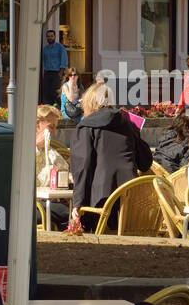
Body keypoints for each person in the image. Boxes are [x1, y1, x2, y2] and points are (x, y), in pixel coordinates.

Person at [68, 81, 152, 232]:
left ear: (89, 102)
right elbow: (145, 163)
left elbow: (83, 166)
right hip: (130, 196)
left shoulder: (86, 127)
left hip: (100, 200)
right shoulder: (127, 124)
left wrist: (77, 203)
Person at [36, 105, 70, 226]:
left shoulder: (51, 151)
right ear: (37, 124)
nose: (54, 132)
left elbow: (64, 171)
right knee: (68, 213)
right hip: (31, 204)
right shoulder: (22, 148)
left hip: (52, 200)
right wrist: (36, 146)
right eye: (51, 127)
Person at [42, 29, 68, 107]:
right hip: (47, 73)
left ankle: (60, 109)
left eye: (51, 36)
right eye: (48, 36)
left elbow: (64, 60)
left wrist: (60, 73)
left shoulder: (60, 47)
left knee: (55, 92)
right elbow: (44, 61)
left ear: (55, 37)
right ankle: (48, 110)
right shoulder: (45, 49)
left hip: (56, 73)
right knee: (46, 93)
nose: (50, 38)